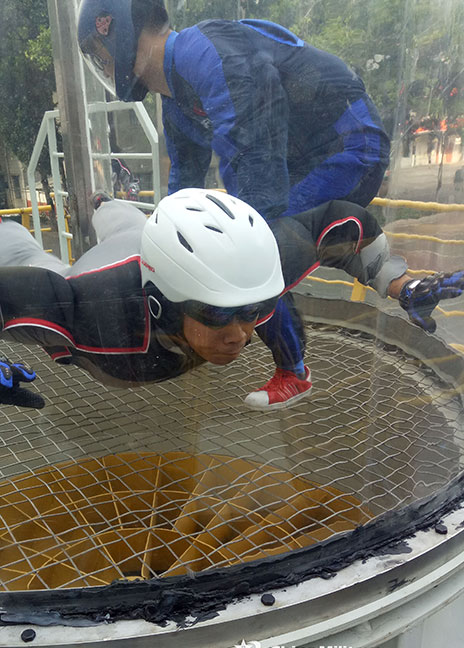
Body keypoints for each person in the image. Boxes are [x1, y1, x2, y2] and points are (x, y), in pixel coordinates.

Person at [77, 0, 391, 406]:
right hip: (299, 160)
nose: (103, 66)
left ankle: (294, 372)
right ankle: (292, 365)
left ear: (117, 34)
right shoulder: (173, 97)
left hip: (347, 145)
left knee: (252, 254)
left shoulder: (202, 50)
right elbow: (183, 187)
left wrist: (230, 251)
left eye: (101, 54)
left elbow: (255, 146)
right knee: (243, 253)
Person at [0, 189, 464, 410]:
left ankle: (106, 202)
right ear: (161, 303)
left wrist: (397, 282)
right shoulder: (84, 308)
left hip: (146, 238)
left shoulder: (272, 259)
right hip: (103, 272)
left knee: (127, 218)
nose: (240, 335)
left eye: (253, 312)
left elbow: (346, 223)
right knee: (29, 257)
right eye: (218, 315)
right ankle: (3, 225)